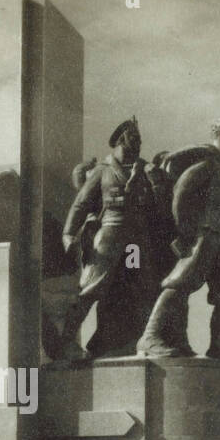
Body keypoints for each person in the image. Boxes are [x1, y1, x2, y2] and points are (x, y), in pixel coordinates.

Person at [57, 117, 172, 359]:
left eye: (140, 140)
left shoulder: (146, 170)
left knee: (141, 287)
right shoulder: (103, 170)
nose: (139, 144)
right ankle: (65, 342)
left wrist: (156, 185)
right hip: (110, 235)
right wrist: (68, 234)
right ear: (121, 140)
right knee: (91, 287)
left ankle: (146, 340)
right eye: (134, 139)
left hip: (134, 243)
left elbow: (158, 211)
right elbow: (80, 204)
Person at [136, 117, 220, 360]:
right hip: (203, 235)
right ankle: (150, 337)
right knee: (180, 282)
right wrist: (186, 233)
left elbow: (219, 207)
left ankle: (218, 346)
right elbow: (181, 195)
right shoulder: (207, 163)